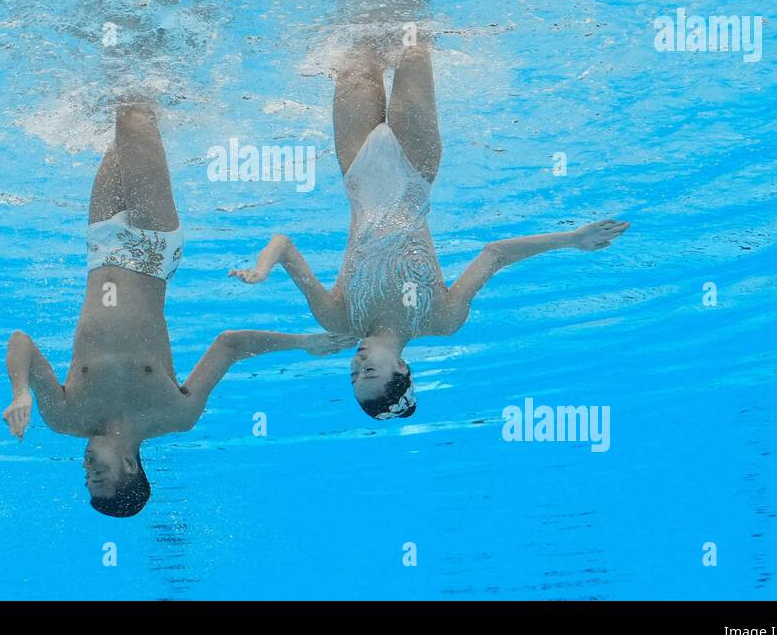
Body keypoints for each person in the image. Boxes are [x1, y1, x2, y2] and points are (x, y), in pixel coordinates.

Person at [230, 39, 629, 421]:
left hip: (357, 168)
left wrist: (262, 269)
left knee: (354, 43)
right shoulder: (441, 319)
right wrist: (571, 239)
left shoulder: (337, 319)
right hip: (414, 166)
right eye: (370, 373)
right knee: (412, 40)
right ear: (401, 367)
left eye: (353, 374)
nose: (358, 363)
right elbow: (495, 255)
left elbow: (283, 245)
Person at [4, 101, 351, 516]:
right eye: (98, 473)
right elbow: (230, 346)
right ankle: (173, 66)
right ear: (130, 465)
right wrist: (304, 342)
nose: (86, 465)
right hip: (151, 251)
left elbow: (21, 341)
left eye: (86, 475)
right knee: (133, 112)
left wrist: (21, 390)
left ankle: (154, 72)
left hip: (102, 245)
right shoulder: (175, 414)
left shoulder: (64, 417)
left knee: (120, 120)